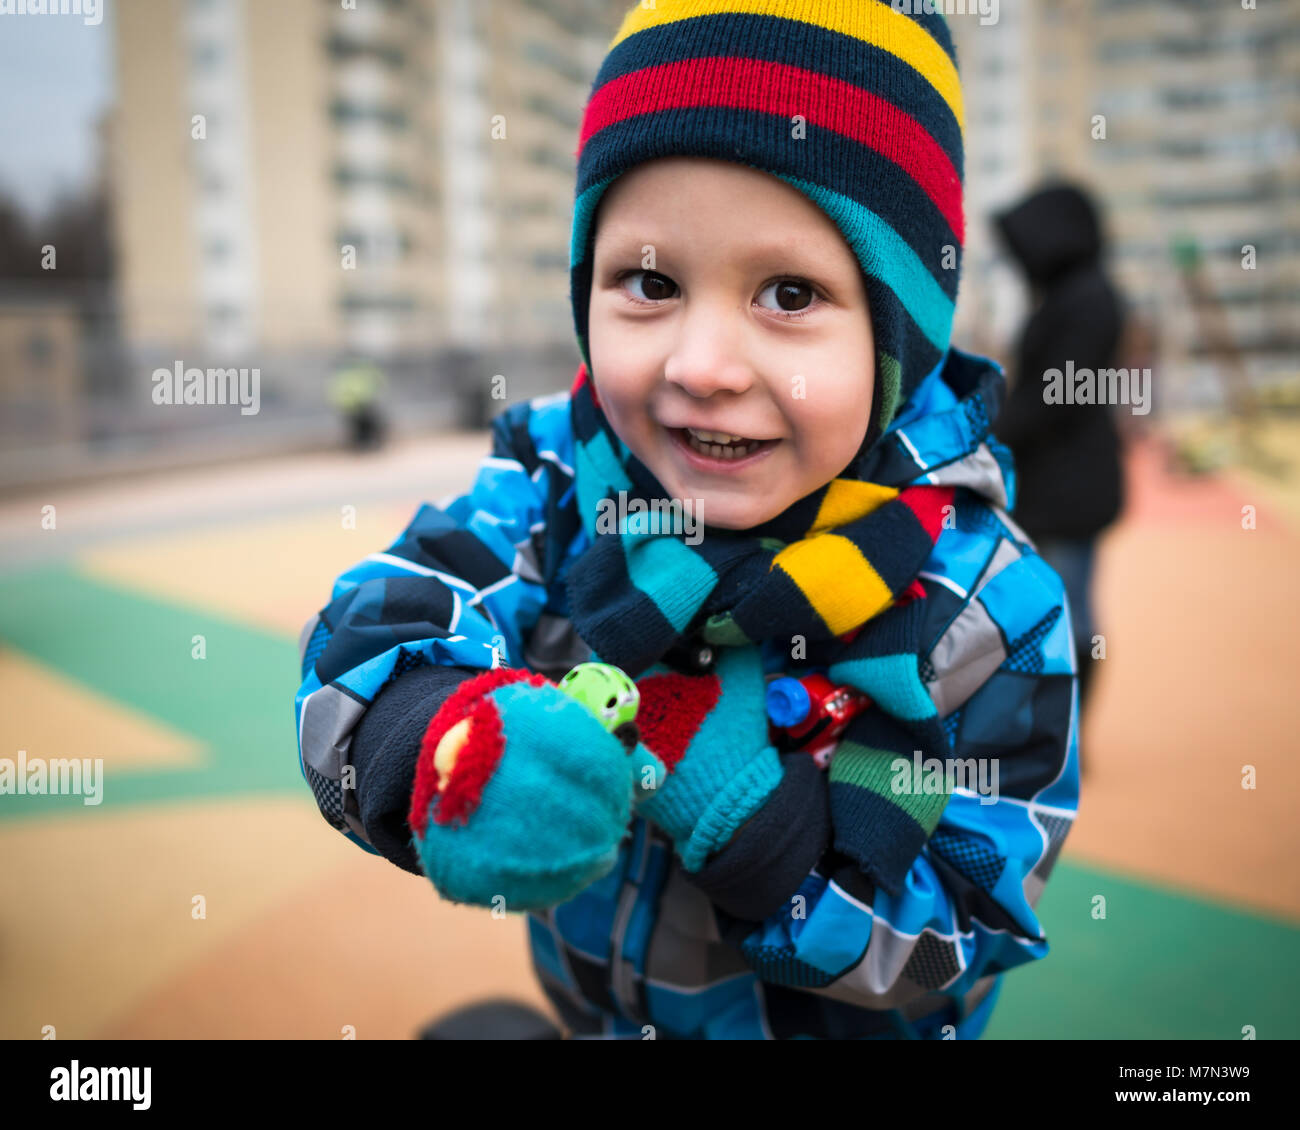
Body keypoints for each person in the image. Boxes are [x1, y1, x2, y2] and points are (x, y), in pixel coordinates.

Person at [293, 0, 1079, 1040]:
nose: (700, 366)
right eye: (650, 282)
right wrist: (442, 732)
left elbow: (961, 927)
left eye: (789, 292)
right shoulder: (560, 479)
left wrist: (749, 819)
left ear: (903, 339)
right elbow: (387, 619)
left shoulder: (985, 602)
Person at [991, 184, 1126, 737]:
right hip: (1059, 484)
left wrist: (989, 432)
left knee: (1069, 614)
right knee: (1052, 608)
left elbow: (1056, 396)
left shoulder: (1086, 299)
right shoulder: (1072, 295)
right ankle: (1051, 730)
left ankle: (1066, 735)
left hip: (1072, 489)